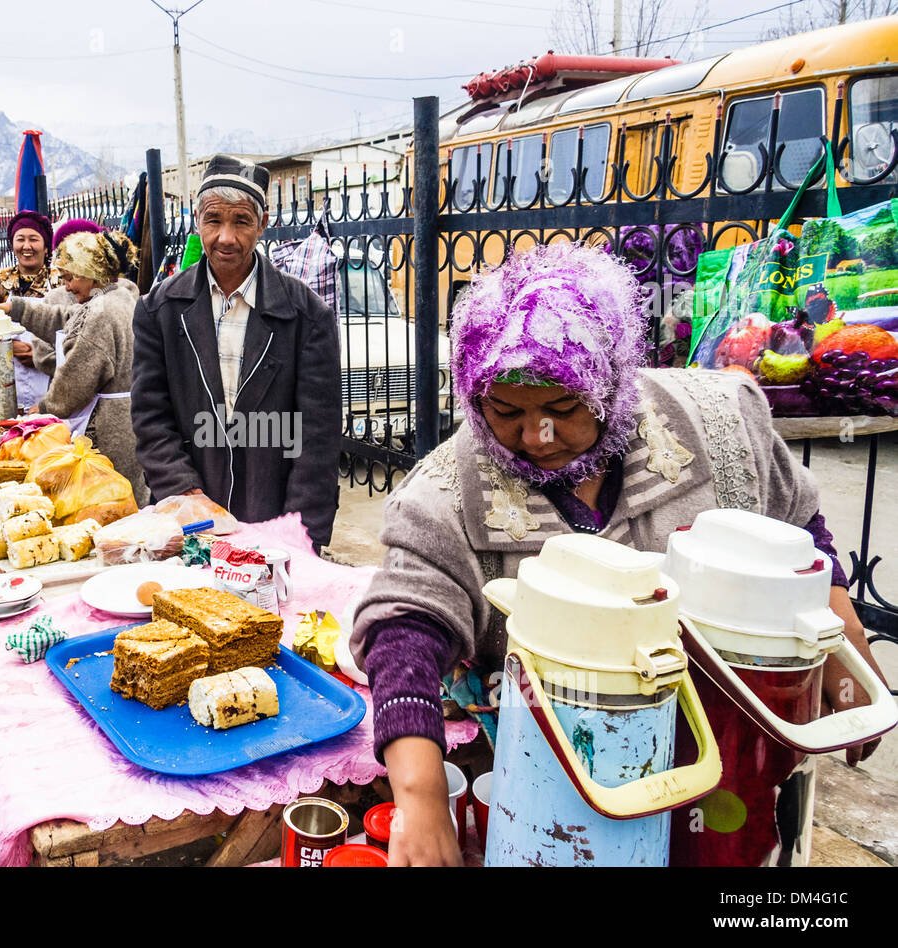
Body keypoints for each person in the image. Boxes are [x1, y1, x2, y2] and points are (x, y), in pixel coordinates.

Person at [349, 243, 891, 866]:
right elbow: (403, 629)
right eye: (505, 412)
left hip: (738, 741)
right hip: (572, 774)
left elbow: (797, 523)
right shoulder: (447, 492)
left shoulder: (719, 422)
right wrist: (419, 798)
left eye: (562, 409)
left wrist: (842, 630)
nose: (536, 436)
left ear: (610, 380)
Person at [130, 155, 342, 551]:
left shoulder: (307, 316)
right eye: (214, 220)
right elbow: (151, 417)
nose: (226, 237)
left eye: (241, 221)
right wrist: (187, 497)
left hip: (273, 518)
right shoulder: (158, 310)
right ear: (197, 221)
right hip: (187, 520)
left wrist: (297, 535)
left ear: (262, 225)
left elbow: (317, 439)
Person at [0, 230, 150, 505]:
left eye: (71, 278)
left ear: (93, 273)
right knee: (126, 494)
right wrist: (14, 308)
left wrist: (46, 408)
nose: (68, 287)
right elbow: (65, 319)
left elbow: (77, 380)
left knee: (106, 501)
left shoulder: (101, 313)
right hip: (127, 419)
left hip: (108, 427)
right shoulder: (116, 295)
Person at [0, 210, 56, 405]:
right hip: (2, 385)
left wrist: (41, 353)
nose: (26, 246)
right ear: (12, 244)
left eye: (34, 239)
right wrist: (7, 346)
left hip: (52, 385)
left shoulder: (61, 281)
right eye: (20, 239)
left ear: (46, 246)